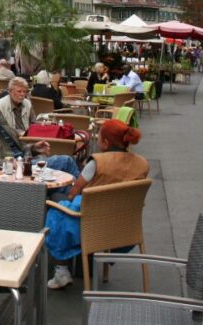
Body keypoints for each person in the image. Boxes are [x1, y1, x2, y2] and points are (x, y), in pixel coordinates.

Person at [44, 119, 147, 289]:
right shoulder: (142, 163)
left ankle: (61, 270)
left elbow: (73, 193)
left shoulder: (96, 163)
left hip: (91, 225)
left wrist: (65, 197)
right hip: (124, 226)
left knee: (56, 204)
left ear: (105, 142)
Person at [0, 91, 79, 179]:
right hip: (12, 172)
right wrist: (9, 162)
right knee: (66, 161)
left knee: (67, 165)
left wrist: (34, 148)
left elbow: (18, 148)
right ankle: (78, 196)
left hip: (23, 162)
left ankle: (65, 197)